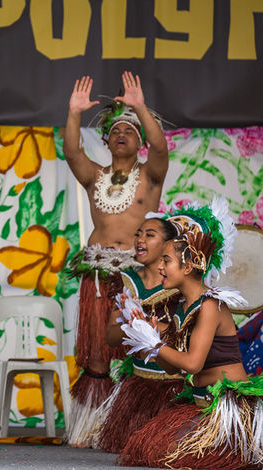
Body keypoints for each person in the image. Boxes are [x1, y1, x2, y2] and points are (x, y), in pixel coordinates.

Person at [62, 72, 169, 446]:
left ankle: (130, 427)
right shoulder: (95, 176)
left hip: (137, 275)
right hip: (96, 272)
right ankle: (90, 429)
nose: (122, 134)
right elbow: (72, 151)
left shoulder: (150, 177)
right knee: (96, 353)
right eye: (116, 130)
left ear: (139, 141)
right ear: (106, 140)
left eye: (131, 130)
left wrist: (138, 106)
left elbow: (161, 148)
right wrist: (74, 113)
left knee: (137, 348)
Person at [117, 198, 261, 469]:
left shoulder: (210, 306)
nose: (160, 267)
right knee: (148, 446)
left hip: (226, 407)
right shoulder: (181, 307)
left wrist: (156, 344)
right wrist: (146, 336)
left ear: (188, 266)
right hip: (199, 402)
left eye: (166, 261)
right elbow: (174, 369)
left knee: (183, 457)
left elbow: (193, 363)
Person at [94, 217, 182, 453]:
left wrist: (148, 327)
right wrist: (131, 324)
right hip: (139, 386)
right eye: (138, 234)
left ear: (169, 243)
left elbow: (186, 337)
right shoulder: (127, 282)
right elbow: (110, 337)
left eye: (150, 234)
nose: (140, 240)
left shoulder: (182, 283)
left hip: (175, 387)